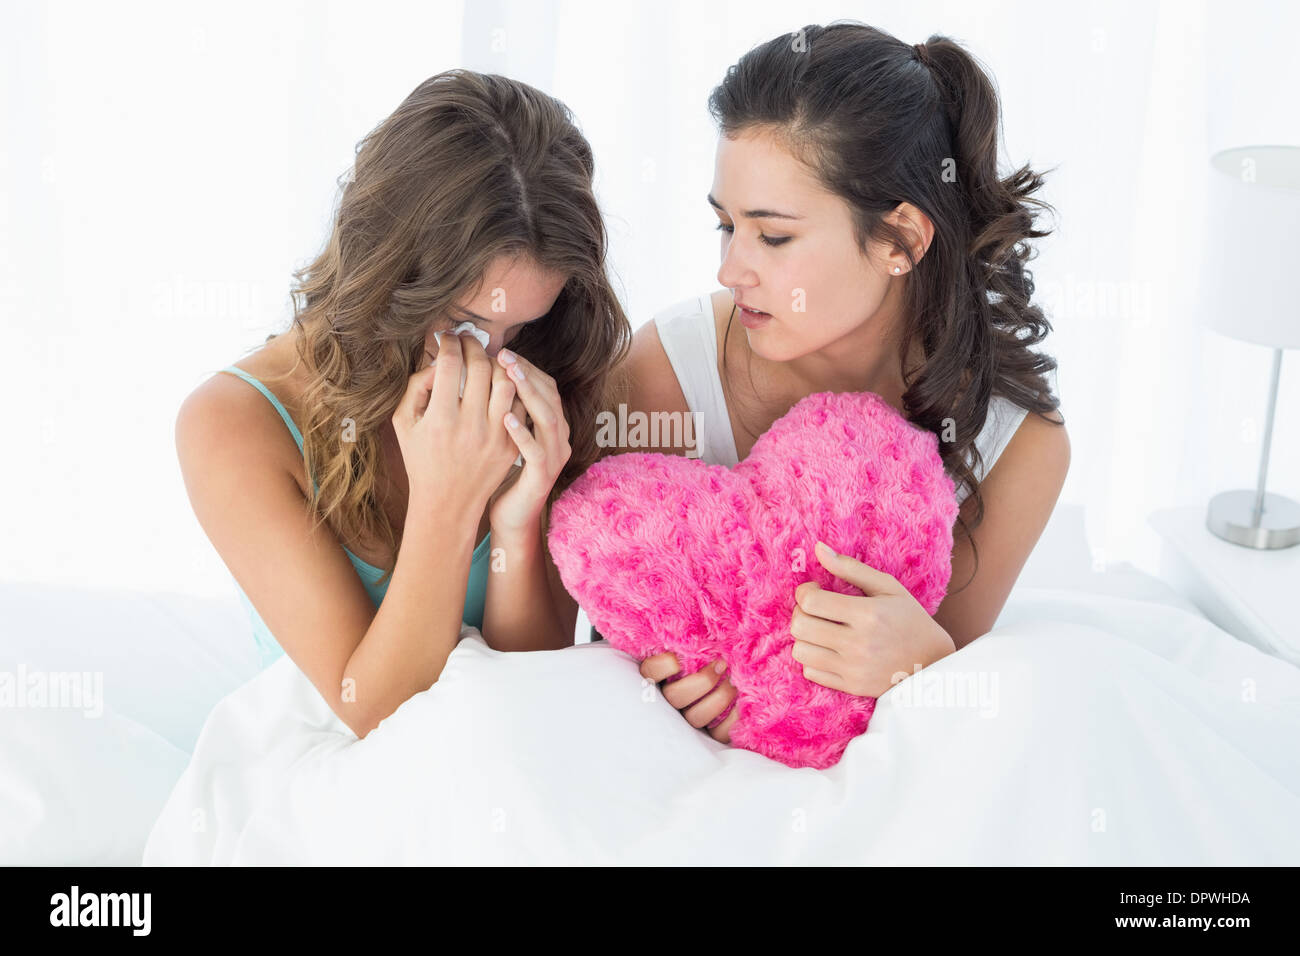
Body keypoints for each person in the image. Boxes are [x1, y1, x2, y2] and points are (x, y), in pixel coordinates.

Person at [613, 23, 1071, 743]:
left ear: (900, 241)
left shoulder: (1021, 445)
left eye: (773, 236)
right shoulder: (665, 370)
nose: (731, 271)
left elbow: (951, 734)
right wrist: (649, 689)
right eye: (725, 226)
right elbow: (595, 612)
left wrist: (926, 666)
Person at [175, 70, 629, 739]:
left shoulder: (557, 371)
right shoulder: (231, 424)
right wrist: (447, 500)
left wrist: (515, 521)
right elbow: (375, 710)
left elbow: (531, 690)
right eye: (466, 324)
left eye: (523, 327)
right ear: (388, 273)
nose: (496, 359)